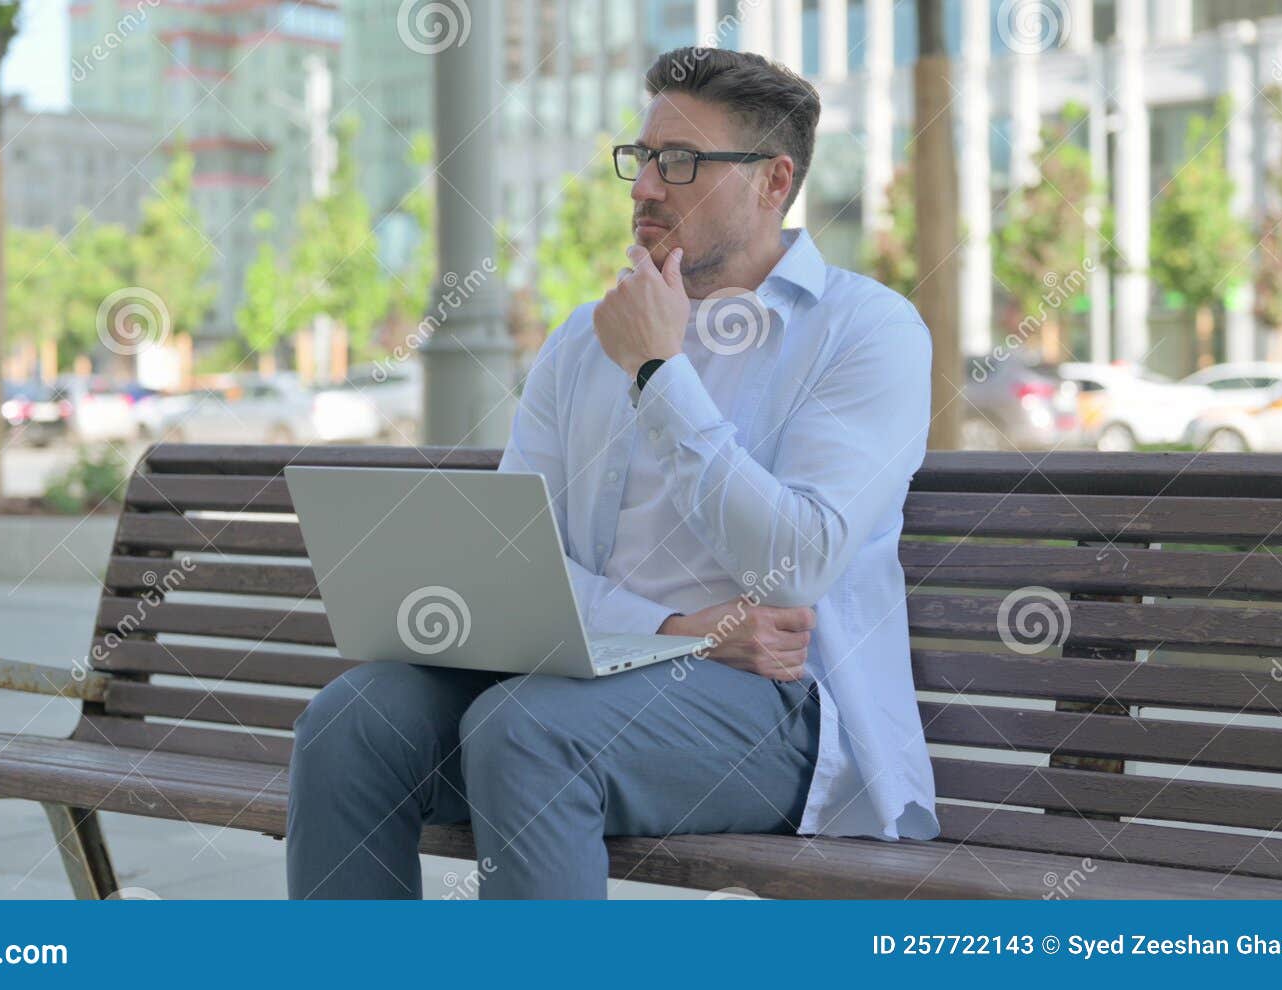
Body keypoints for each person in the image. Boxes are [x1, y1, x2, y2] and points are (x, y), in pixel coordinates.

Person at [287, 46, 938, 900]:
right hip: (587, 677)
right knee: (353, 719)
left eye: (681, 162)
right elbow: (516, 564)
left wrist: (661, 376)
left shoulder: (866, 331)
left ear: (774, 182)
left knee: (524, 731)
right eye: (641, 159)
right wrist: (674, 629)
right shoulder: (579, 341)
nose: (645, 187)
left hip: (780, 714)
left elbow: (800, 563)